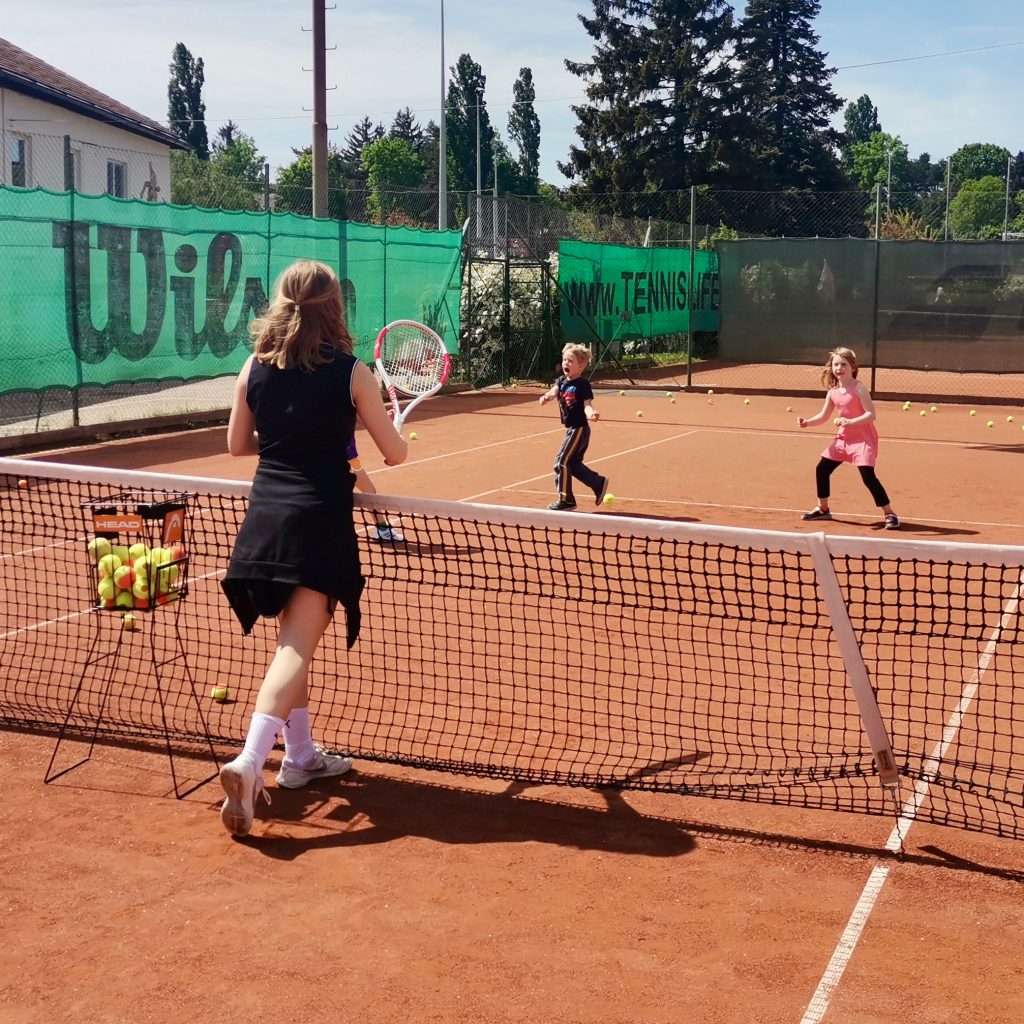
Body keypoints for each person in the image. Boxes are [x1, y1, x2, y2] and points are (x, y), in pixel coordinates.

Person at [218, 260, 407, 837]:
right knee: (298, 646)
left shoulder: (254, 365)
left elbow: (236, 445)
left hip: (263, 519)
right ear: (335, 308)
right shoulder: (354, 373)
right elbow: (394, 455)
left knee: (286, 645)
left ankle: (299, 757)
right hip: (318, 521)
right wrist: (386, 416)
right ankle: (251, 761)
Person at [797, 346, 899, 530]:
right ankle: (823, 509)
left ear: (852, 366)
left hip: (863, 439)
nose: (839, 368)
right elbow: (823, 416)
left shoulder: (859, 388)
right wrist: (807, 422)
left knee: (868, 477)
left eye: (843, 364)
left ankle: (889, 513)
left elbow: (871, 415)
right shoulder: (833, 392)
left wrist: (849, 421)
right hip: (843, 440)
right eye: (836, 364)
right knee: (822, 469)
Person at [539, 343, 609, 511]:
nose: (566, 364)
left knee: (561, 462)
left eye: (570, 361)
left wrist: (591, 413)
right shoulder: (561, 381)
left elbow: (587, 404)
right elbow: (554, 391)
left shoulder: (583, 384)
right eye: (564, 360)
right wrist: (546, 397)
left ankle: (566, 500)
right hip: (572, 429)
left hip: (579, 429)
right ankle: (597, 482)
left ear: (581, 365)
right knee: (573, 464)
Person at [347, 436, 403, 543]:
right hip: (345, 460)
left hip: (350, 460)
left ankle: (382, 529)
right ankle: (383, 530)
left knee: (369, 492)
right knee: (368, 492)